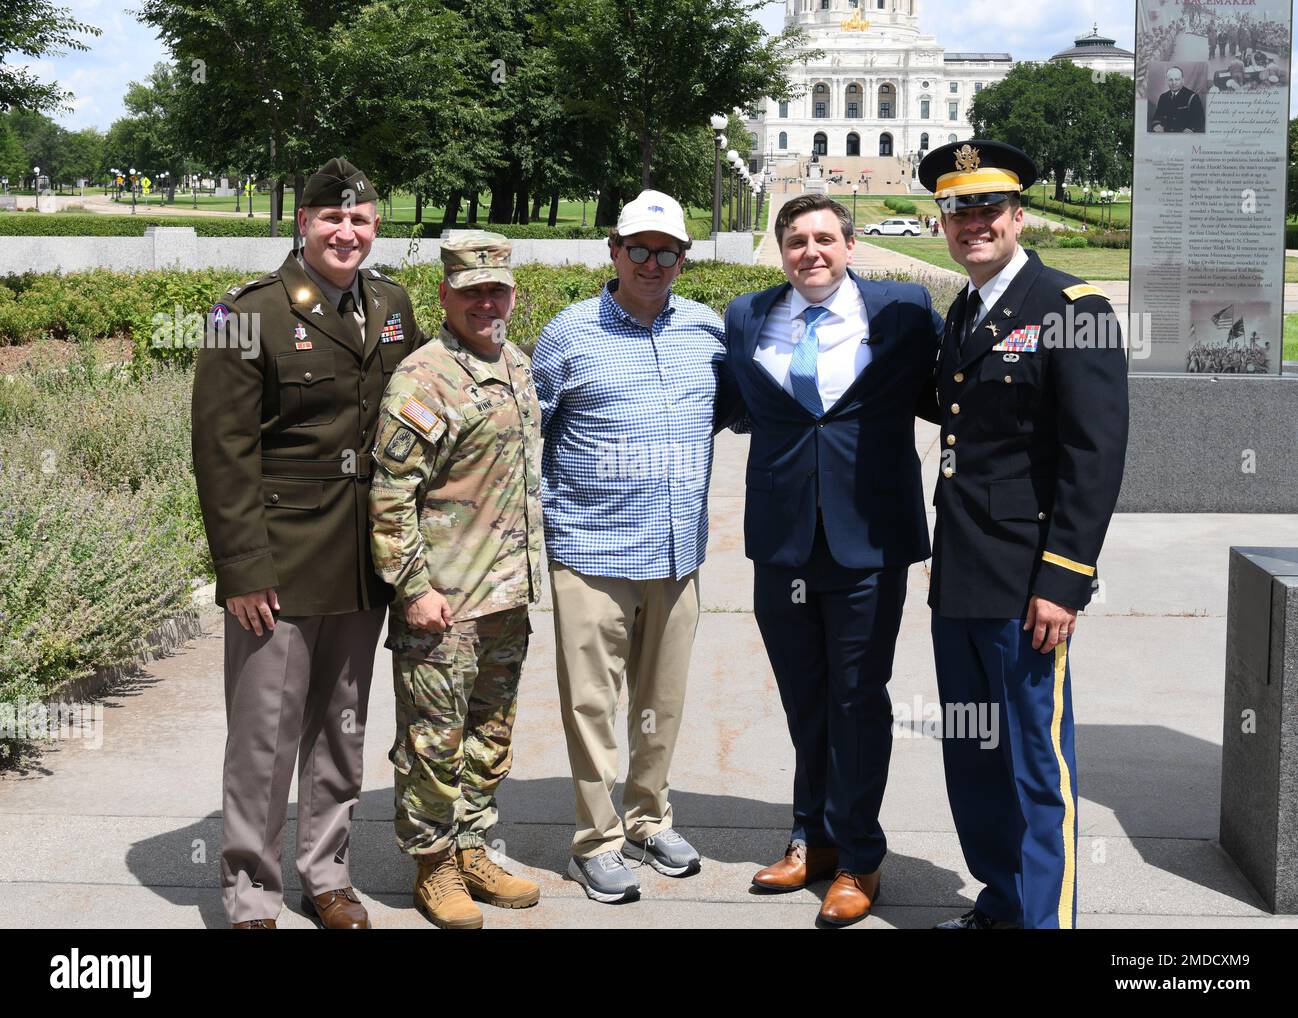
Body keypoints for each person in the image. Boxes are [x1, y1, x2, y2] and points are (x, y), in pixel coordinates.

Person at [192, 157, 427, 929]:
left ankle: (327, 875)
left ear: (375, 227)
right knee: (264, 737)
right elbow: (222, 454)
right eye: (332, 218)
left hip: (363, 563)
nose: (346, 232)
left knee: (343, 729)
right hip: (281, 563)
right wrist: (242, 570)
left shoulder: (391, 303)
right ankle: (251, 891)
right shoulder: (242, 313)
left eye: (360, 220)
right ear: (303, 224)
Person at [716, 193, 943, 927]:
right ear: (780, 251)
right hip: (783, 540)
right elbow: (735, 401)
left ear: (850, 246)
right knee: (803, 697)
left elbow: (958, 391)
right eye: (796, 241)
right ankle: (806, 838)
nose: (810, 252)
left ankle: (859, 857)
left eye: (824, 239)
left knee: (856, 696)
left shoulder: (903, 312)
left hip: (868, 539)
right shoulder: (748, 316)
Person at [918, 139, 1128, 929]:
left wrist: (1063, 581)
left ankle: (1047, 921)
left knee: (1037, 765)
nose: (971, 222)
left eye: (986, 208)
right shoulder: (966, 309)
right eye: (955, 208)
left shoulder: (1076, 309)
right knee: (974, 756)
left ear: (1018, 214)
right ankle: (1001, 903)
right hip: (961, 577)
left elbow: (1094, 456)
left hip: (1027, 585)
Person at [531, 190, 723, 904]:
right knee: (591, 707)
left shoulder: (707, 331)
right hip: (591, 553)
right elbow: (529, 439)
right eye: (637, 248)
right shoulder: (569, 334)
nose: (651, 262)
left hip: (677, 554)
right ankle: (596, 840)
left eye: (665, 251)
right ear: (613, 251)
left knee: (661, 703)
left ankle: (648, 817)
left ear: (682, 259)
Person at [369, 232, 542, 930]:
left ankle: (471, 845)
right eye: (471, 292)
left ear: (511, 293)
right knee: (432, 744)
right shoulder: (424, 377)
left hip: (506, 597)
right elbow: (389, 494)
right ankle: (432, 863)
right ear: (444, 296)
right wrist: (412, 588)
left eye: (496, 290)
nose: (485, 302)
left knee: (489, 736)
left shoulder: (518, 366)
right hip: (445, 603)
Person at [1150, 66, 1205, 133]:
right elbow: (1157, 117)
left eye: (1177, 79)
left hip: (1184, 138)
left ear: (1182, 80)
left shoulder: (1193, 97)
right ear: (1167, 80)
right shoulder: (1163, 97)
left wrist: (1190, 129)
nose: (1174, 83)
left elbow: (1200, 120)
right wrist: (1157, 125)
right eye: (1170, 80)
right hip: (1166, 136)